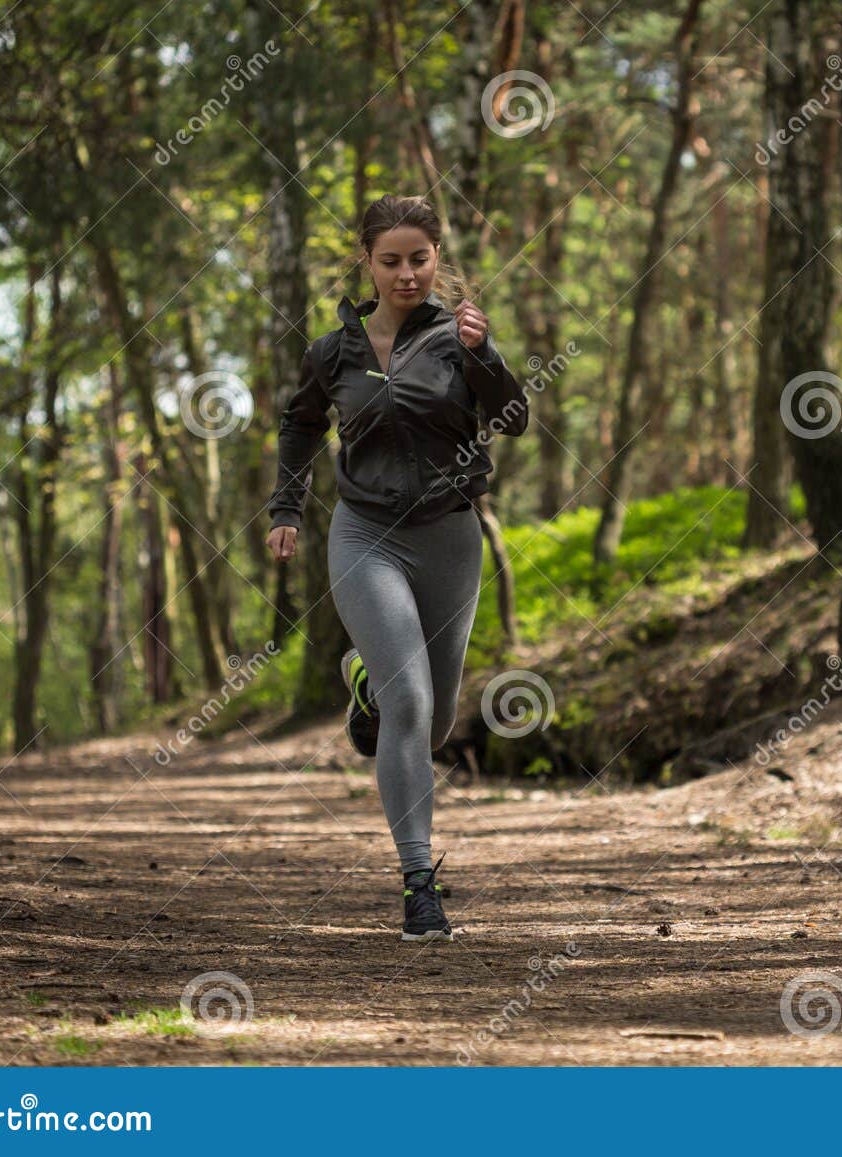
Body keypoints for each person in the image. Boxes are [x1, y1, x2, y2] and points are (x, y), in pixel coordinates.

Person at [265, 194, 528, 941]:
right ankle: (420, 884)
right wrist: (287, 510)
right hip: (364, 535)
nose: (407, 274)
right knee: (409, 701)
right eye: (391, 261)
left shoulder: (459, 338)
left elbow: (514, 419)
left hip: (450, 536)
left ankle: (363, 682)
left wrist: (487, 359)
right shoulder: (334, 351)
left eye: (420, 259)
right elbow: (300, 422)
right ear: (367, 262)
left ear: (437, 257)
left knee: (436, 719)